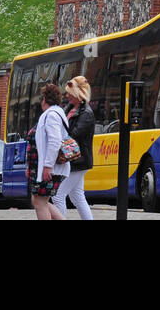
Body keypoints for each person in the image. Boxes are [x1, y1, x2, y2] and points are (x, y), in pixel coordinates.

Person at [53, 76, 95, 220]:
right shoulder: (71, 108)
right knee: (77, 197)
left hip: (77, 160)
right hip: (75, 160)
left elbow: (74, 135)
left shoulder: (86, 114)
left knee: (58, 196)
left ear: (78, 93)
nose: (67, 96)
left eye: (69, 93)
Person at [30, 82, 70, 220]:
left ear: (44, 99)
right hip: (48, 167)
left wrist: (48, 166)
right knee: (39, 201)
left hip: (50, 167)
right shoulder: (55, 113)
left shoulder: (51, 115)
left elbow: (54, 141)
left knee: (40, 202)